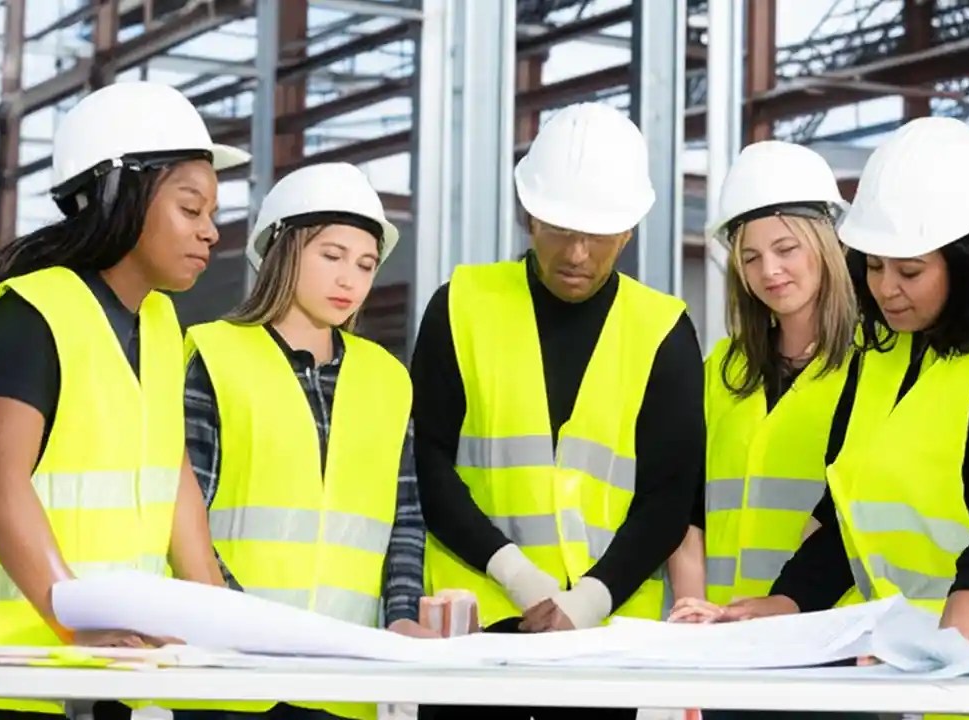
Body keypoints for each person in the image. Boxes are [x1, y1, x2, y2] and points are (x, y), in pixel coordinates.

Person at [699, 117, 969, 681]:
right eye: (872, 266)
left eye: (910, 270)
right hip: (923, 668)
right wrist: (789, 602)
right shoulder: (882, 358)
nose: (885, 287)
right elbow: (849, 516)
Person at [0, 80, 250, 720]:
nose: (212, 233)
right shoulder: (29, 315)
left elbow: (169, 476)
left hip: (107, 665)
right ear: (120, 194)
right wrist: (78, 627)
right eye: (190, 208)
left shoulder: (160, 324)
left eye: (211, 213)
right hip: (4, 673)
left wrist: (218, 614)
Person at [412, 101, 705, 720]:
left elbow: (670, 495)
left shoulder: (662, 330)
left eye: (597, 234)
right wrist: (520, 578)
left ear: (628, 229)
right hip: (478, 625)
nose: (576, 253)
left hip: (601, 634)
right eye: (559, 229)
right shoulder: (461, 305)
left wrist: (589, 600)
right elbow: (427, 466)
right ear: (528, 216)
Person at [172, 162, 433, 720]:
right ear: (283, 251)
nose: (350, 281)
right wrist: (234, 620)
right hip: (230, 672)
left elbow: (406, 517)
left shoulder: (388, 379)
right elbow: (181, 512)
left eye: (365, 265)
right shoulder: (216, 357)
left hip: (344, 677)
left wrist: (403, 613)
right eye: (331, 256)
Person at [666, 140, 857, 616]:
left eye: (785, 249)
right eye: (750, 258)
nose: (769, 270)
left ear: (827, 244)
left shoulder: (871, 364)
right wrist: (696, 617)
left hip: (829, 631)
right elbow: (688, 517)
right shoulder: (724, 369)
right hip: (726, 629)